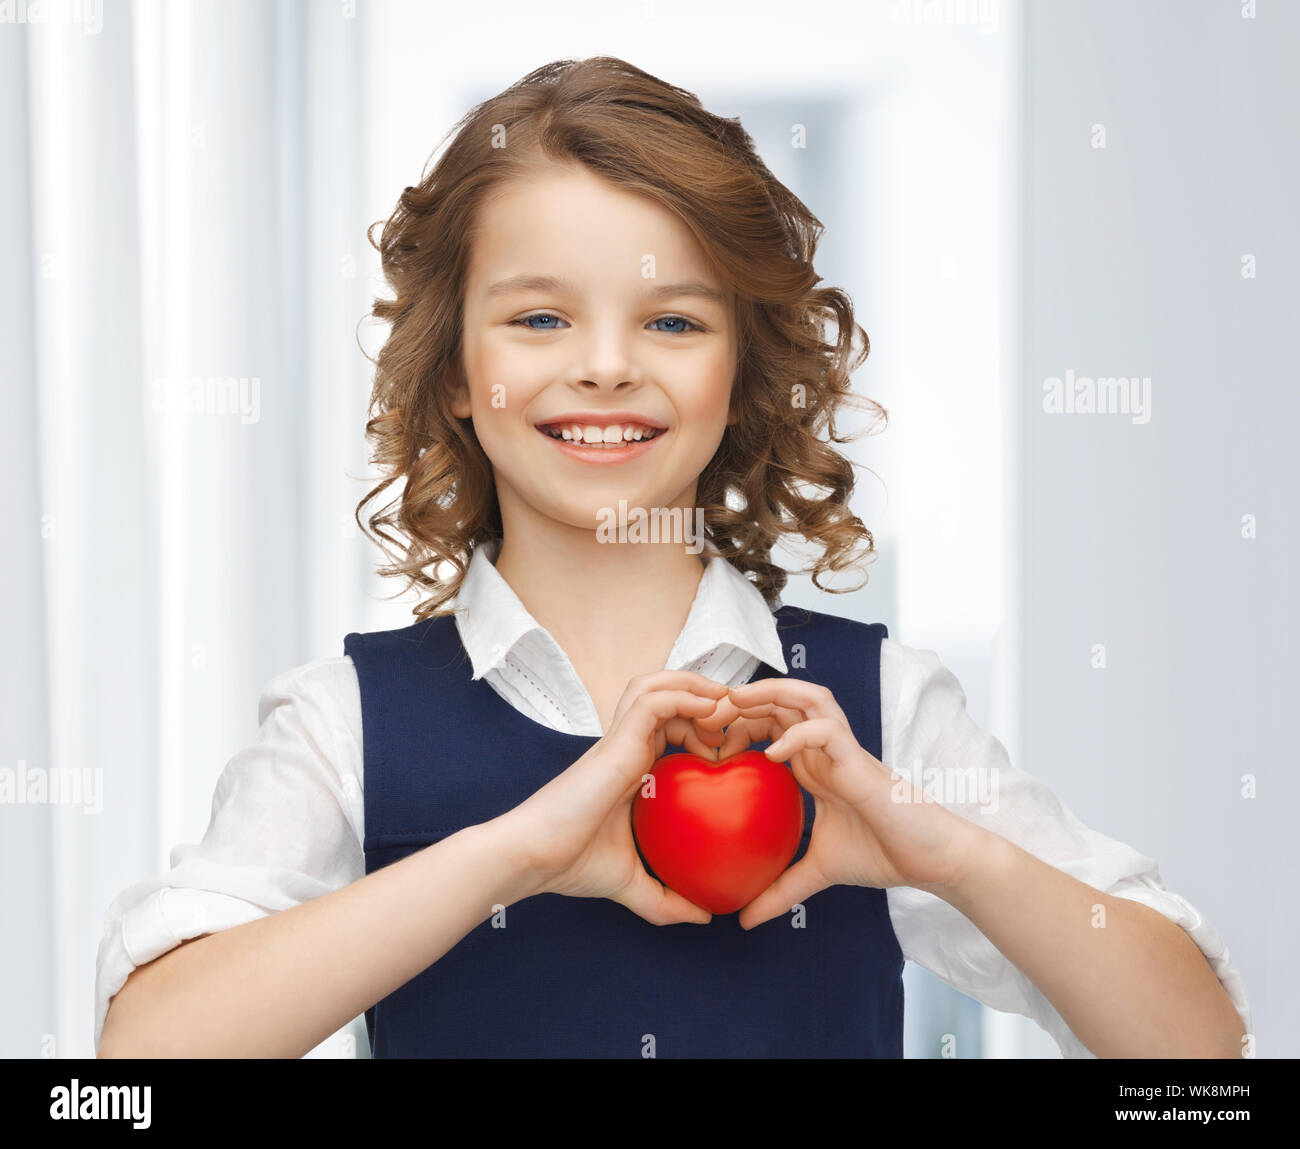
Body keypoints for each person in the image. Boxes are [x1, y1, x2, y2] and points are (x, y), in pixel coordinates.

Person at [95, 56, 1251, 1059]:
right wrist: (510, 855)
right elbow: (137, 1064)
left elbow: (1195, 1050)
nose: (604, 366)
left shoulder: (882, 714)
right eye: (540, 319)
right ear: (453, 371)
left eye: (673, 322)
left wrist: (945, 853)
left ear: (739, 375)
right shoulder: (342, 726)